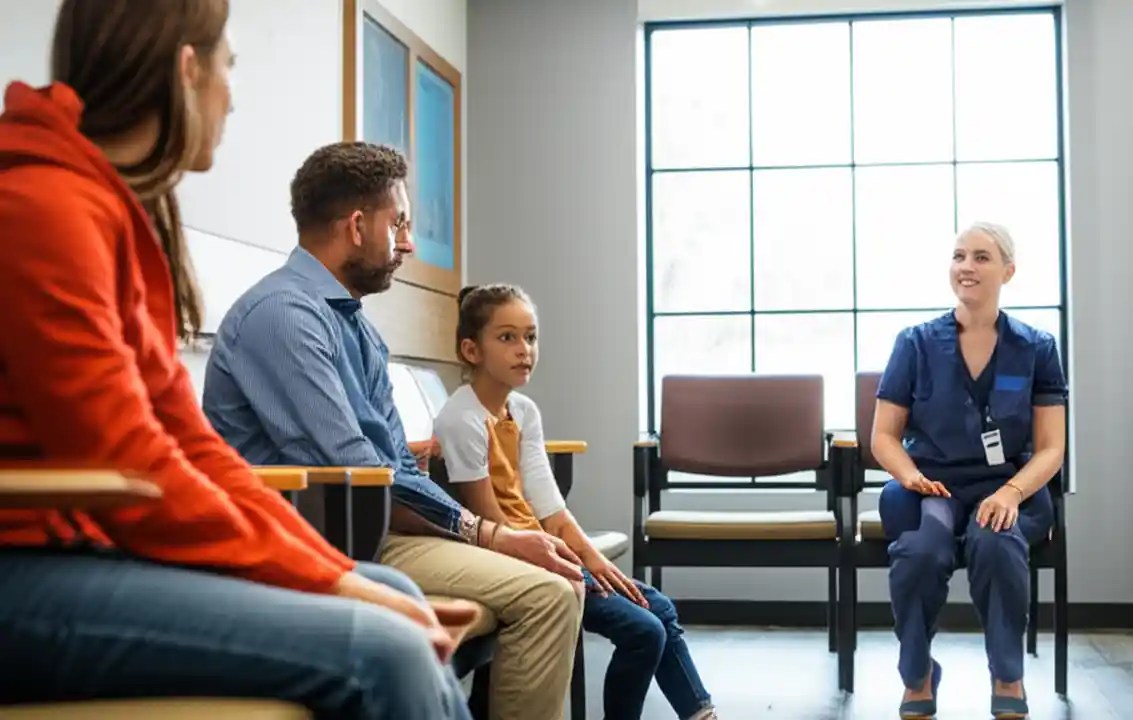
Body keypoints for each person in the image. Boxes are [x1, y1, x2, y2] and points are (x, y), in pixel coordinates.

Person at [0, 2, 475, 718]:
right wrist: (340, 586)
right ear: (186, 70)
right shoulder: (45, 204)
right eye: (228, 66)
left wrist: (336, 573)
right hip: (30, 572)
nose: (232, 93)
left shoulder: (102, 204)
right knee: (388, 648)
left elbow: (186, 442)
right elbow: (133, 460)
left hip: (79, 550)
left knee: (397, 596)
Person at [202, 142, 583, 720]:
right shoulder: (283, 315)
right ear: (358, 226)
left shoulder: (354, 327)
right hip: (322, 539)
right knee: (547, 593)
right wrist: (490, 534)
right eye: (398, 223)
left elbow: (393, 468)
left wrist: (482, 529)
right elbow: (356, 468)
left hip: (371, 527)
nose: (406, 242)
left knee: (555, 579)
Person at [434, 283, 720, 720]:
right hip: (514, 560)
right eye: (507, 337)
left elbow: (550, 508)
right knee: (645, 631)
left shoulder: (524, 411)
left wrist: (594, 562)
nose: (524, 350)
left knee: (658, 607)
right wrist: (576, 569)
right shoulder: (460, 418)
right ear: (471, 350)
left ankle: (702, 714)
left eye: (530, 337)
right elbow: (492, 527)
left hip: (544, 549)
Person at [871, 222, 1066, 720]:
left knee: (996, 540)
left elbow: (1051, 448)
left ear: (1009, 270)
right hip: (929, 488)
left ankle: (1007, 673)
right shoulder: (914, 343)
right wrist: (909, 475)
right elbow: (884, 436)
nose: (967, 267)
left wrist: (1012, 493)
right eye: (959, 256)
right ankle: (917, 675)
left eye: (981, 257)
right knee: (919, 551)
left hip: (1008, 487)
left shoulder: (1037, 347)